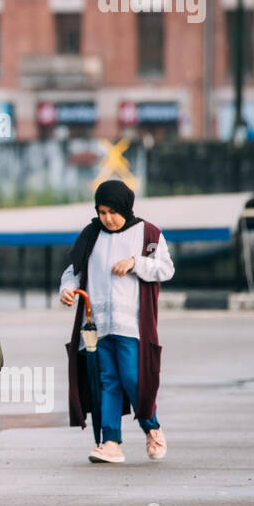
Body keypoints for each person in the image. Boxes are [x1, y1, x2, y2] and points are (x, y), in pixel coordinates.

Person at [59, 180, 175, 464]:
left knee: (133, 378)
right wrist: (67, 288)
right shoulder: (90, 235)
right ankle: (110, 442)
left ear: (125, 208)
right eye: (101, 212)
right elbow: (73, 271)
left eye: (112, 212)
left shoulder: (148, 234)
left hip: (131, 326)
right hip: (97, 323)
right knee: (107, 380)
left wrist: (136, 262)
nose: (107, 219)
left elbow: (165, 269)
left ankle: (152, 427)